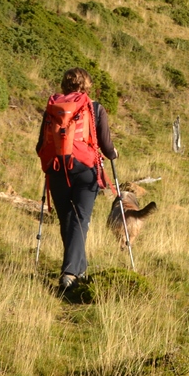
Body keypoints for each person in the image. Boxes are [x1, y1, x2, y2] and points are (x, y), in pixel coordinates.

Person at [36, 67, 117, 293]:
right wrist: (113, 154)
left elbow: (39, 146)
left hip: (57, 167)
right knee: (80, 219)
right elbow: (106, 145)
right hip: (85, 169)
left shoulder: (52, 109)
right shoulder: (95, 108)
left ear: (64, 84)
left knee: (67, 220)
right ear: (87, 85)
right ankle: (70, 273)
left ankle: (79, 270)